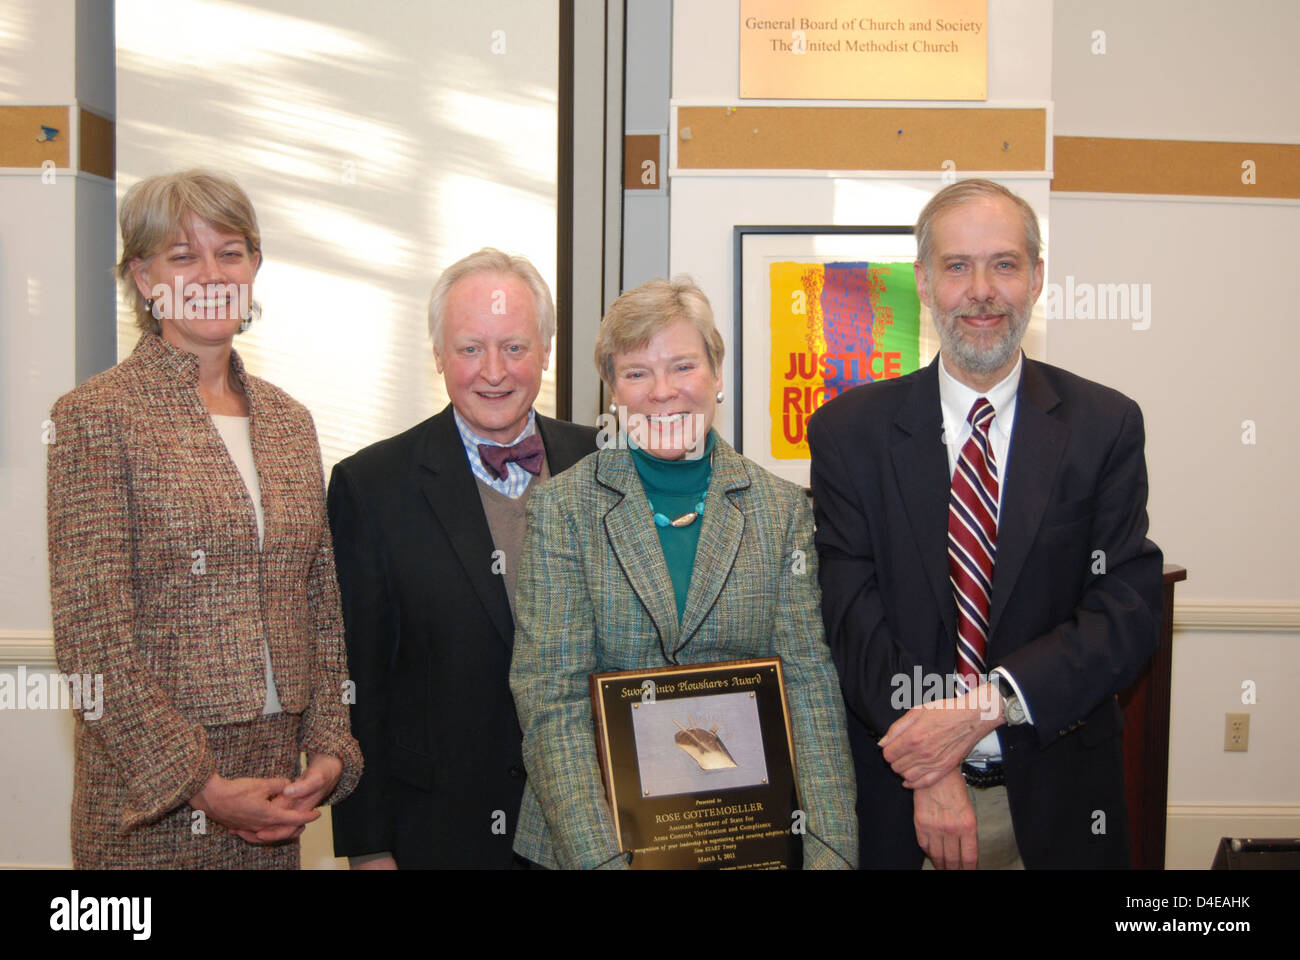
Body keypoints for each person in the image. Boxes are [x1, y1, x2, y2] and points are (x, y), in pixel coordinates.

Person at [809, 178, 1163, 869]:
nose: (981, 291)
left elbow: (1126, 611)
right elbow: (850, 617)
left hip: (1057, 802)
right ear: (923, 281)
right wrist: (932, 764)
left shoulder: (1106, 426)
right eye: (957, 266)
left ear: (1036, 277)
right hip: (899, 799)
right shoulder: (850, 432)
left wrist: (987, 706)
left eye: (1003, 264)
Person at [46, 169, 362, 869]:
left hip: (279, 791)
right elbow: (92, 638)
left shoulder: (289, 420)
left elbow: (321, 602)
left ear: (254, 267)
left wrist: (333, 746)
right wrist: (203, 786)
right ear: (141, 275)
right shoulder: (97, 415)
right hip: (150, 800)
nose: (210, 273)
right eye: (182, 255)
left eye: (230, 251)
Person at [509, 277, 858, 869]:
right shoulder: (563, 508)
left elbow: (809, 689)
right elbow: (551, 700)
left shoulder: (780, 510)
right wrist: (605, 862)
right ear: (613, 389)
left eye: (683, 366)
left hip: (748, 837)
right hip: (596, 840)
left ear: (717, 373)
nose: (662, 392)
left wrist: (832, 855)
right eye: (636, 373)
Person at [328, 248, 598, 869]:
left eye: (515, 347)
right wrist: (368, 849)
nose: (494, 371)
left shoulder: (603, 465)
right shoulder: (371, 486)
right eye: (471, 348)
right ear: (439, 356)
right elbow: (355, 683)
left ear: (546, 352)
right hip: (439, 835)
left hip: (590, 832)